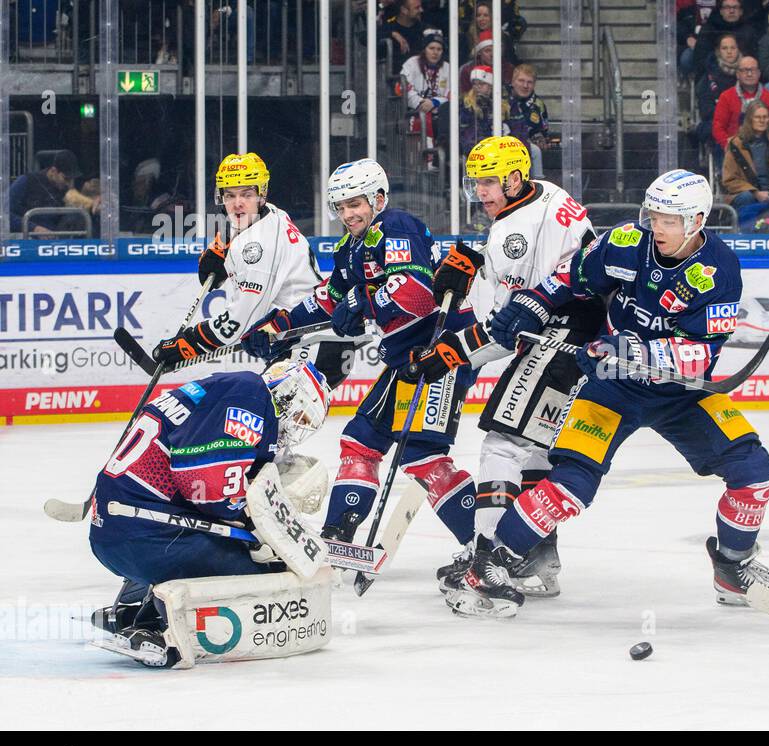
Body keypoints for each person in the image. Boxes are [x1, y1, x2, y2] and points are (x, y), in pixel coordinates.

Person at [444, 169, 769, 618]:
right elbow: (570, 278)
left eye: (672, 219)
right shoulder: (628, 242)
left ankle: (732, 567)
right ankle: (493, 563)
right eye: (655, 215)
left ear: (698, 220)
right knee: (570, 486)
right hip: (613, 389)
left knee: (755, 472)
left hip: (679, 394)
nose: (659, 227)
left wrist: (630, 349)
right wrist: (531, 305)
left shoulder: (718, 270)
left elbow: (700, 356)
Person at [240, 158, 479, 558]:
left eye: (356, 204)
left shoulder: (396, 227)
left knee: (424, 457)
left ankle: (486, 545)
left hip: (443, 353)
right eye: (342, 206)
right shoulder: (352, 248)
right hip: (408, 360)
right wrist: (278, 325)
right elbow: (328, 299)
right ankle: (337, 539)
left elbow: (418, 294)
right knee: (359, 442)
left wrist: (362, 301)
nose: (349, 213)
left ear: (378, 199)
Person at [405, 136, 603, 597]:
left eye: (491, 181)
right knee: (534, 452)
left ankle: (485, 560)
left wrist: (444, 356)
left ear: (515, 178)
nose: (482, 191)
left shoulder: (515, 231)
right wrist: (474, 260)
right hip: (582, 337)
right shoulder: (547, 194)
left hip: (557, 337)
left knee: (502, 443)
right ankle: (536, 558)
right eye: (477, 182)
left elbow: (507, 328)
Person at [89, 361, 332, 667]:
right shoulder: (250, 395)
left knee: (243, 550)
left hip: (119, 533)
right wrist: (255, 524)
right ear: (287, 394)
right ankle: (157, 628)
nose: (296, 424)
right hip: (147, 536)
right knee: (262, 576)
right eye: (300, 414)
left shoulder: (226, 391)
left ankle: (136, 611)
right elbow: (205, 485)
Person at [150, 153, 350, 385]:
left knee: (263, 415)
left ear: (261, 194)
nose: (238, 203)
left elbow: (237, 325)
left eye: (246, 194)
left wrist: (188, 344)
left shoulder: (259, 247)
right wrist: (222, 248)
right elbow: (239, 228)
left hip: (310, 344)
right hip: (309, 339)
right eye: (230, 195)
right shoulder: (270, 213)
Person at [722, 102, 769, 225]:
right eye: (758, 117)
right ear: (750, 119)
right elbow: (729, 180)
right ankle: (745, 233)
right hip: (747, 193)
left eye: (765, 117)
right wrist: (755, 192)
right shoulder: (735, 145)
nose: (762, 121)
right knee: (747, 197)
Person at [712, 55, 769, 150]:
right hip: (734, 149)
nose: (749, 74)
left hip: (765, 150)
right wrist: (729, 146)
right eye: (745, 70)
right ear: (738, 74)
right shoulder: (726, 97)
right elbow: (718, 128)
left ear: (759, 73)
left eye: (753, 70)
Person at [6, 149, 79, 235]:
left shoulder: (68, 189)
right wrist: (33, 228)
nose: (69, 184)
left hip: (57, 239)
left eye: (72, 180)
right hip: (27, 238)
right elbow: (4, 214)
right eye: (66, 179)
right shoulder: (26, 181)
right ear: (53, 171)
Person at [401, 30, 450, 154]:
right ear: (424, 49)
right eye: (431, 48)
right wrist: (421, 103)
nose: (435, 52)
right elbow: (403, 86)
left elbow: (452, 93)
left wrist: (434, 102)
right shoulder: (412, 63)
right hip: (414, 111)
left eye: (439, 49)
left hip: (439, 113)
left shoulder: (447, 67)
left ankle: (437, 160)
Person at [506, 64, 551, 179]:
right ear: (513, 81)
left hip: (526, 149)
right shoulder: (502, 98)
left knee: (535, 150)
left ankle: (537, 187)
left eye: (529, 82)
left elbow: (543, 132)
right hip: (504, 145)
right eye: (521, 81)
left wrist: (541, 140)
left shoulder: (538, 105)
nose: (525, 86)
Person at [696, 34, 742, 146]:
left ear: (738, 49)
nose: (729, 52)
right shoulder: (710, 77)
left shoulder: (747, 71)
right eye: (725, 48)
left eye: (733, 48)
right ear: (718, 52)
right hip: (721, 123)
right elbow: (705, 109)